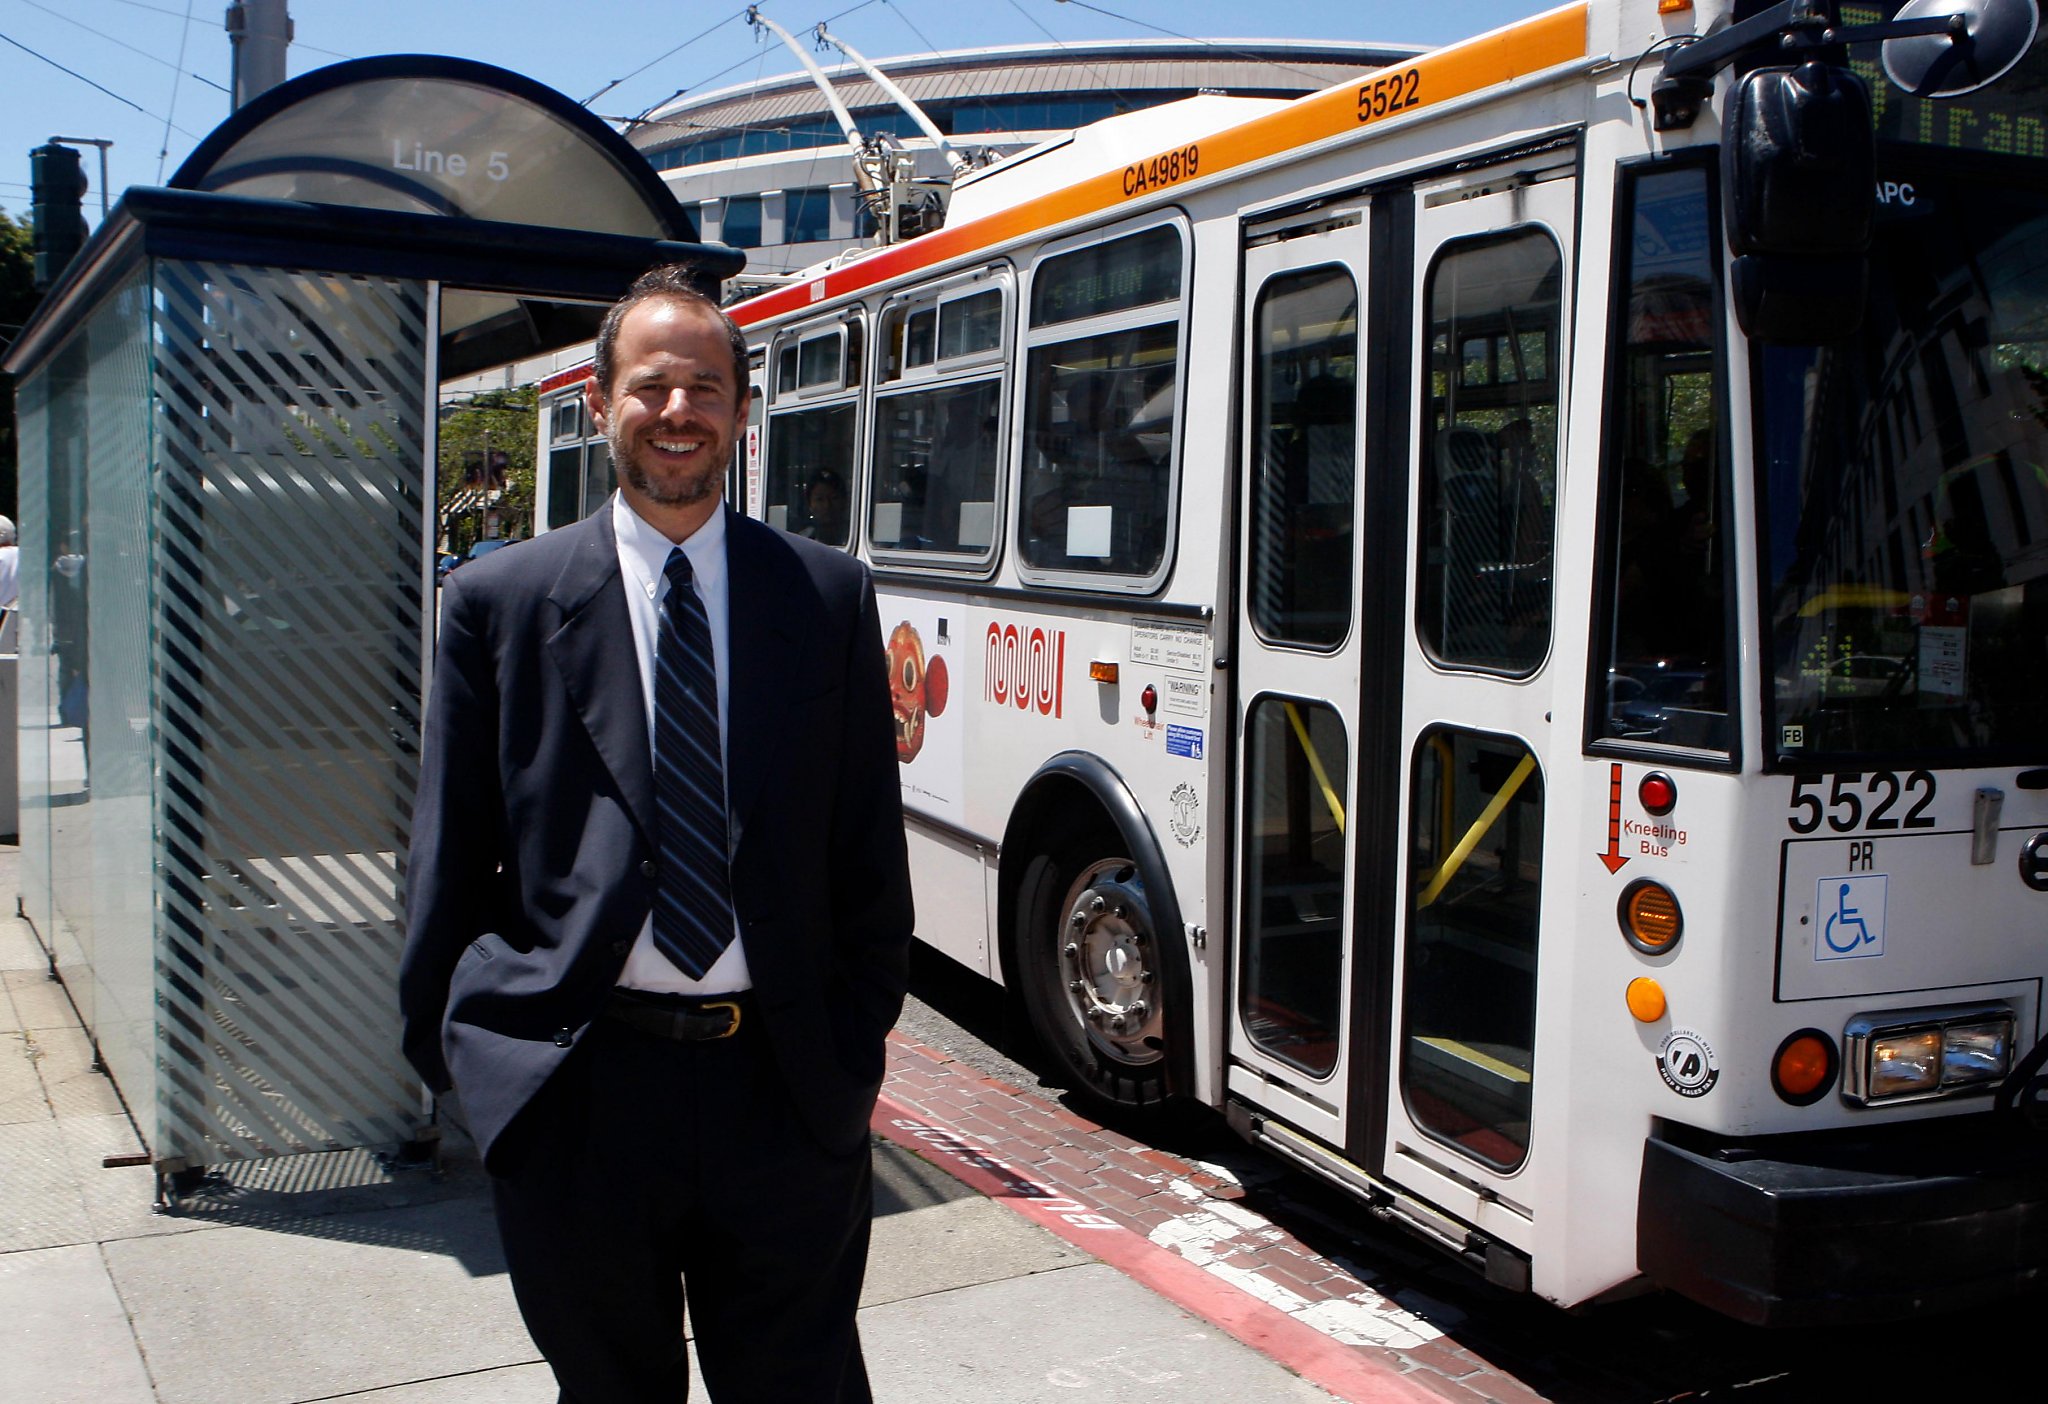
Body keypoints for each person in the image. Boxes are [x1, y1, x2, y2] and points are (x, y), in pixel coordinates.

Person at [399, 263, 913, 1403]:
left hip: (780, 1092)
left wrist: (844, 1050)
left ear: (740, 406)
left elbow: (866, 857)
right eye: (649, 387)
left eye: (703, 387)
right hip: (580, 1097)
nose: (676, 411)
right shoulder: (500, 604)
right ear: (600, 404)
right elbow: (452, 857)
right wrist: (481, 1077)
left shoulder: (824, 597)